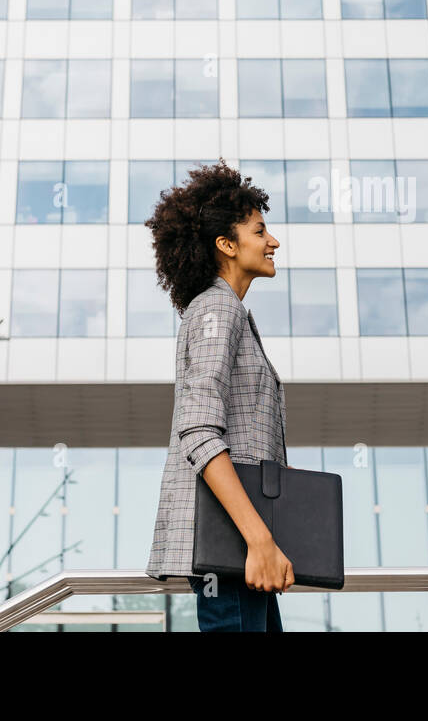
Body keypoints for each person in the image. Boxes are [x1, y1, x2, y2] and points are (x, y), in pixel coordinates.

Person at [144, 160, 293, 631]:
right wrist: (259, 539)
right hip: (232, 546)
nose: (272, 241)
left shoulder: (227, 311)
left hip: (241, 548)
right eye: (259, 230)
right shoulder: (215, 309)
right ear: (226, 245)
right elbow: (200, 431)